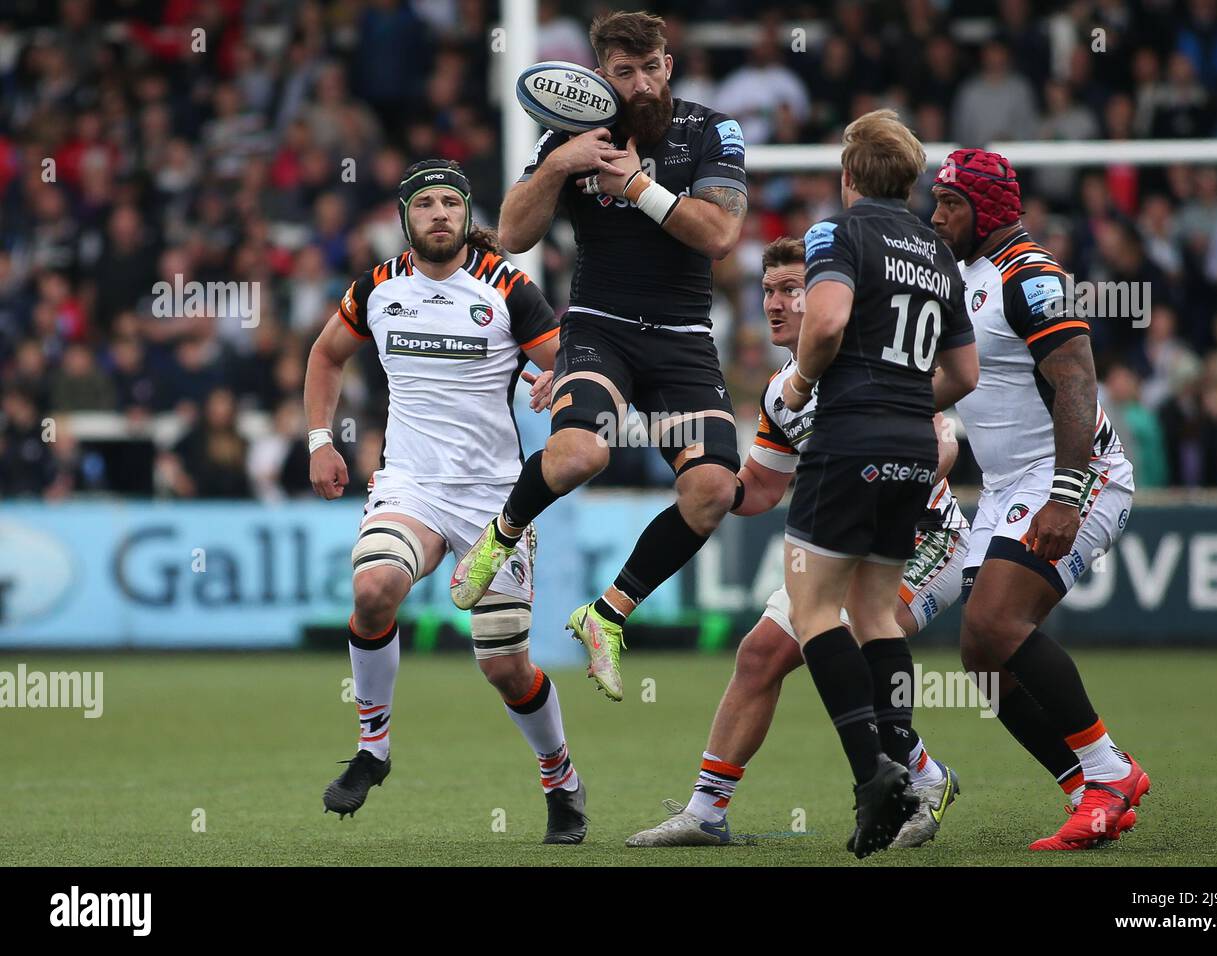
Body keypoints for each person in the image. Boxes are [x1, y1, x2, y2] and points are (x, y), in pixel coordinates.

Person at [626, 237, 968, 849]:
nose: (776, 304)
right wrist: (708, 486)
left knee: (856, 643)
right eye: (769, 291)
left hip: (923, 539)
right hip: (842, 551)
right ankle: (706, 811)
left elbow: (943, 447)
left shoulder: (872, 362)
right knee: (760, 654)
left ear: (827, 297)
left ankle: (922, 774)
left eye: (793, 290)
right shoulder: (785, 391)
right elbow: (759, 486)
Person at [449, 11, 748, 703]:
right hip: (600, 327)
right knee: (581, 454)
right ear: (601, 76)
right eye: (623, 72)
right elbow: (515, 235)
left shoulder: (711, 130)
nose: (640, 83)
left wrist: (639, 187)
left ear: (668, 65)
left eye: (651, 68)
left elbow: (721, 233)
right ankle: (502, 534)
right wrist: (557, 164)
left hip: (681, 338)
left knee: (713, 492)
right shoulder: (575, 136)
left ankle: (606, 613)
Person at [304, 159, 589, 844]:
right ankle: (373, 748)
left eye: (450, 203)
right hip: (411, 485)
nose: (439, 214)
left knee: (503, 666)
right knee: (373, 588)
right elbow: (323, 356)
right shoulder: (376, 286)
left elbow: (567, 360)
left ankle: (561, 779)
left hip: (498, 501)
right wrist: (320, 439)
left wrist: (564, 380)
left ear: (466, 215)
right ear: (406, 218)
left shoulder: (507, 288)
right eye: (425, 203)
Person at [931, 148, 1149, 850]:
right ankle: (1087, 790)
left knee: (996, 619)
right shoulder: (961, 275)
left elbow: (1079, 380)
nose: (937, 217)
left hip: (1073, 475)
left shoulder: (1033, 274)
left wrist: (1065, 492)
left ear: (989, 209)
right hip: (1004, 484)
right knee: (979, 656)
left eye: (952, 204)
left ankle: (1111, 772)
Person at [780, 110, 980, 858]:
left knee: (813, 610)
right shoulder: (938, 252)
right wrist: (902, 401)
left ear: (850, 175)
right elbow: (964, 375)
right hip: (911, 449)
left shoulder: (840, 232)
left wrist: (801, 383)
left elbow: (826, 323)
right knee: (876, 616)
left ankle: (872, 775)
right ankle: (898, 762)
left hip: (849, 438)